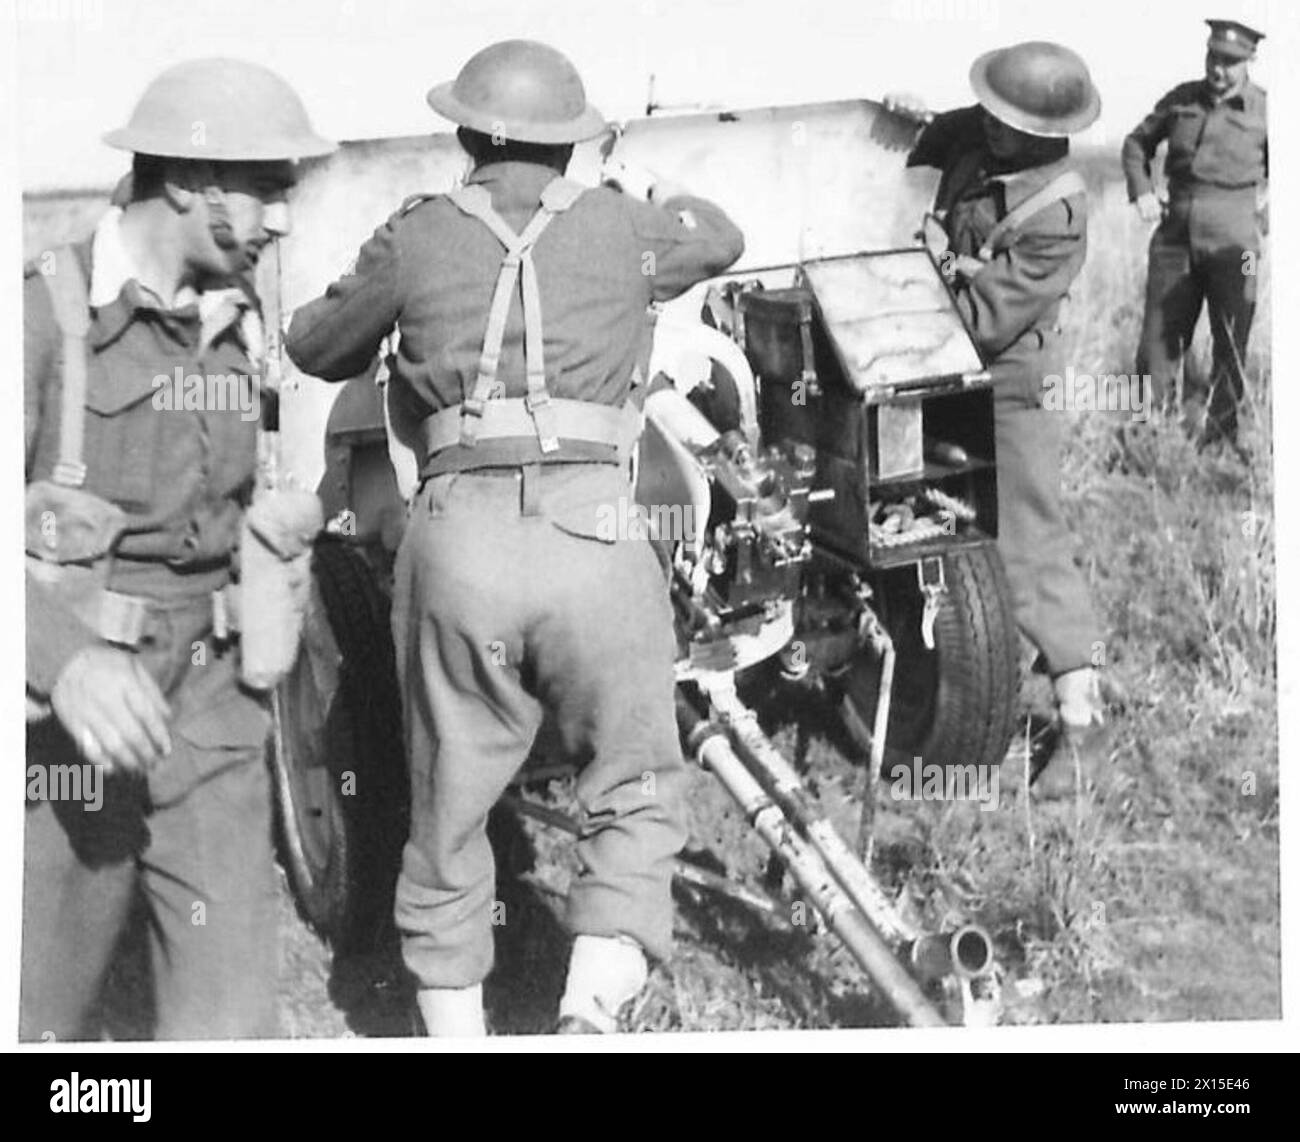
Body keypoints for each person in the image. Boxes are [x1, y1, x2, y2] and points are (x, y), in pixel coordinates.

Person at [286, 38, 744, 1035]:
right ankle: (586, 1010)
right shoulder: (629, 228)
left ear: (463, 133)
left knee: (445, 814)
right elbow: (719, 237)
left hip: (459, 549)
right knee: (634, 785)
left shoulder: (415, 234)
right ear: (575, 148)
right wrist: (640, 178)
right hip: (597, 538)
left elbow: (314, 345)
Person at [22, 58, 334, 1041]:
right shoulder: (39, 317)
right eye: (268, 190)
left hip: (212, 715)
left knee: (232, 1020)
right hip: (61, 736)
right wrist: (60, 657)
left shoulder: (238, 327)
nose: (282, 218)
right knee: (38, 1016)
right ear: (194, 182)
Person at [885, 41, 1108, 798]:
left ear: (1044, 131)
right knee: (924, 517)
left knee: (1027, 540)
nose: (988, 126)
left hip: (1005, 380)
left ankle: (1081, 722)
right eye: (988, 112)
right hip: (936, 358)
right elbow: (926, 134)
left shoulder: (1056, 213)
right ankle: (936, 677)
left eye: (1005, 119)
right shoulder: (981, 140)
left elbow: (982, 317)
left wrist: (920, 272)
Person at [1122, 19, 1268, 448]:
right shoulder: (1182, 100)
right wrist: (1143, 191)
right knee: (1158, 338)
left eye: (1229, 62)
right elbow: (1135, 144)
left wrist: (1268, 216)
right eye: (1212, 58)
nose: (1218, 69)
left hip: (1238, 241)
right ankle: (1149, 435)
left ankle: (1222, 439)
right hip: (1174, 237)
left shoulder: (1267, 110)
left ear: (1249, 62)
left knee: (1232, 335)